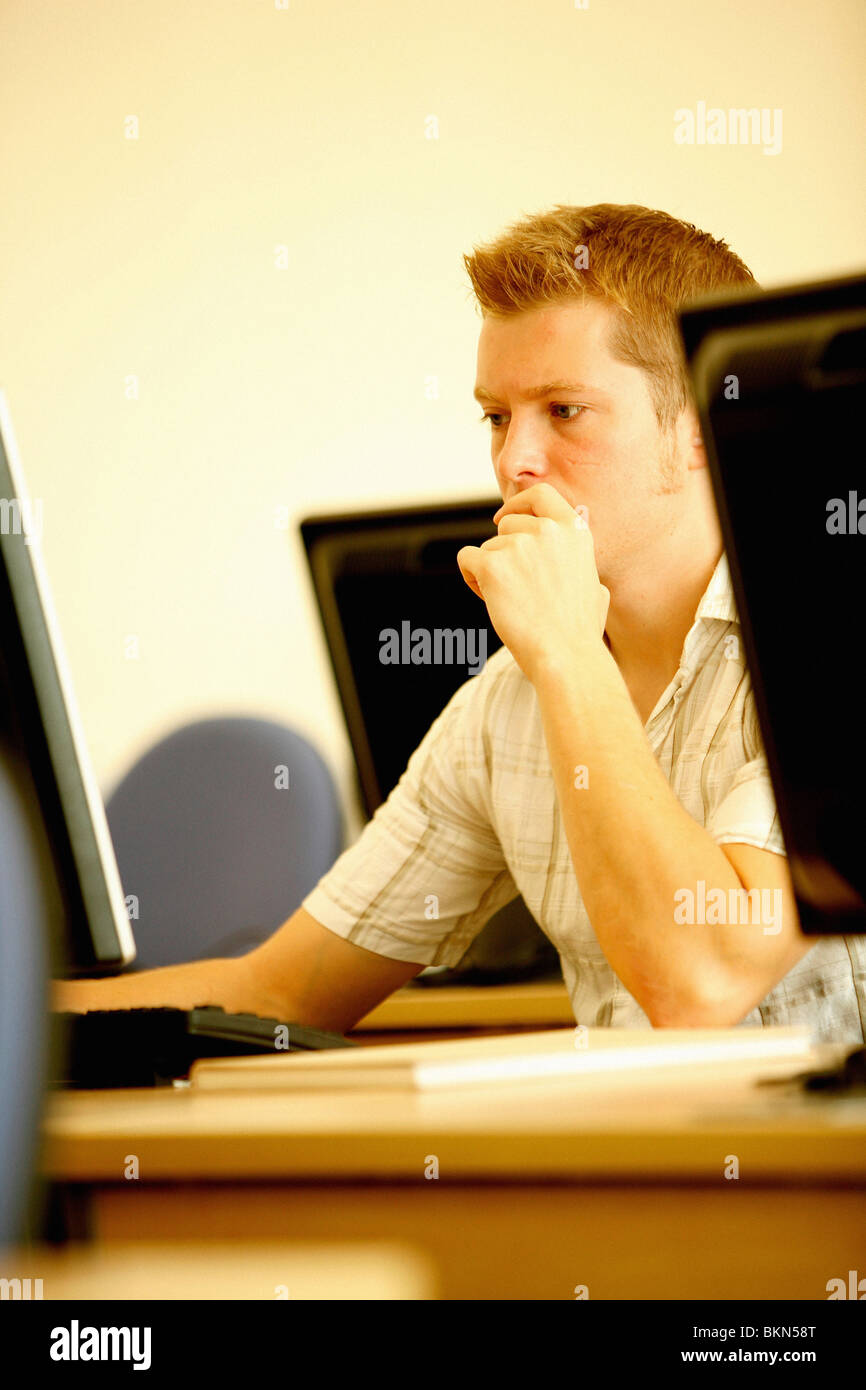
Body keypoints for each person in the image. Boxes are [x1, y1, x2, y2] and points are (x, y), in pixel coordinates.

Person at [55, 203, 866, 1043]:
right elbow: (285, 989)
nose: (514, 460)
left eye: (563, 410)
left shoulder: (831, 642)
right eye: (496, 416)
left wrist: (566, 657)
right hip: (634, 1160)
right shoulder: (505, 705)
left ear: (697, 422)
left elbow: (700, 983)